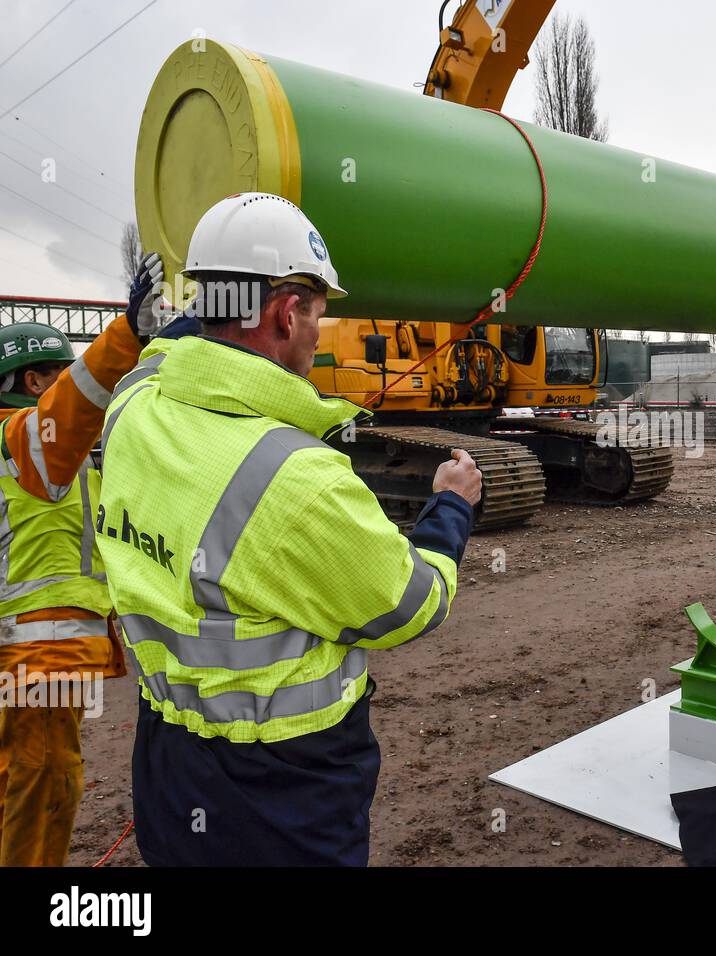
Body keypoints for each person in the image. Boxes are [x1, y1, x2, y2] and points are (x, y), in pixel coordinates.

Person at [96, 193, 483, 866]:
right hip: (280, 796)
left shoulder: (130, 408)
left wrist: (202, 299)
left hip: (166, 766)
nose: (318, 332)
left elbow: (163, 354)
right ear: (284, 311)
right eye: (318, 313)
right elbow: (409, 605)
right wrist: (450, 510)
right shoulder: (294, 476)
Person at [0, 253, 162, 866]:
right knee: (45, 780)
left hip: (23, 650)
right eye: (57, 375)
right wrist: (128, 331)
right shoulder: (25, 439)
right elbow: (78, 401)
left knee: (14, 777)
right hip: (37, 653)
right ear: (35, 383)